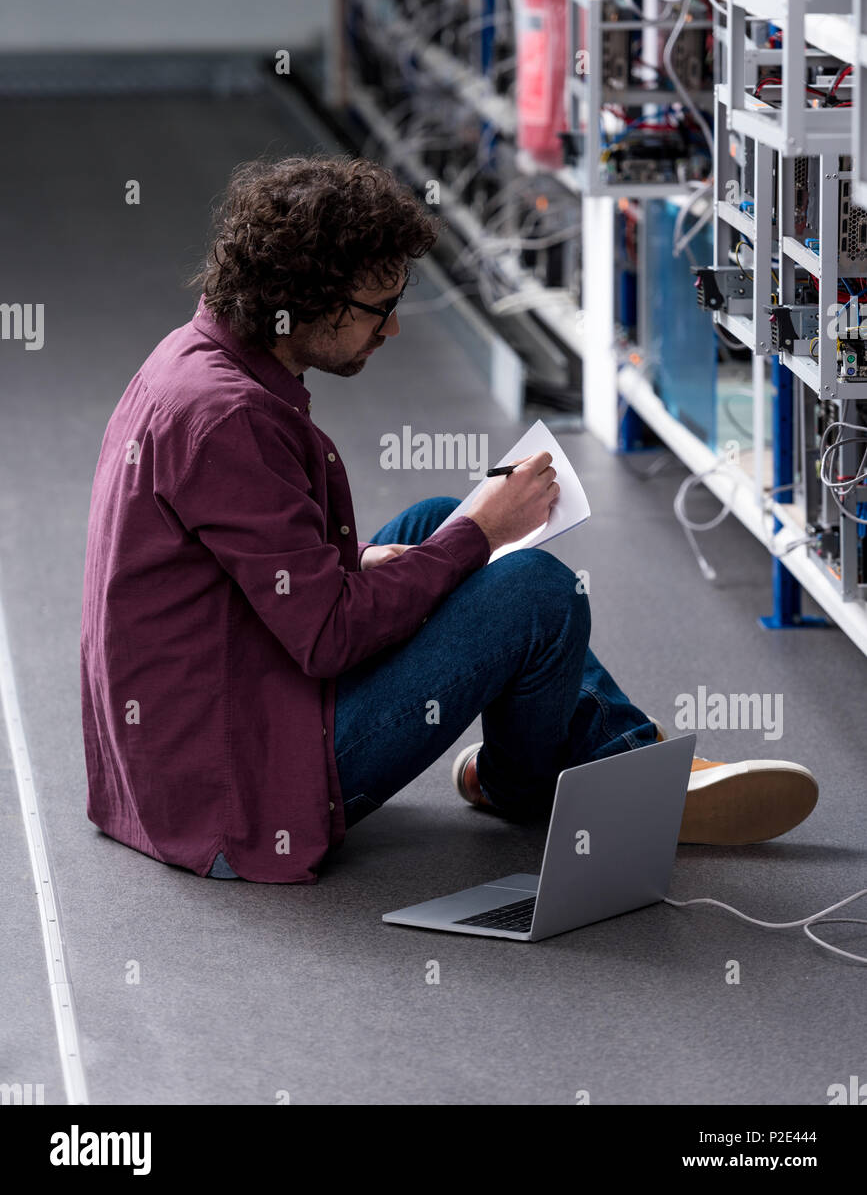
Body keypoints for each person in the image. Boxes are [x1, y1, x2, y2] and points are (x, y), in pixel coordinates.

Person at [80, 154, 818, 884]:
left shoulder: (195, 359)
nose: (393, 330)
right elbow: (329, 638)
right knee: (534, 588)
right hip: (239, 796)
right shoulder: (228, 419)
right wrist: (482, 534)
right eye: (380, 308)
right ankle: (535, 780)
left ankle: (618, 753)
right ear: (312, 298)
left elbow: (235, 571)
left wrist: (377, 557)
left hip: (194, 741)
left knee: (433, 520)